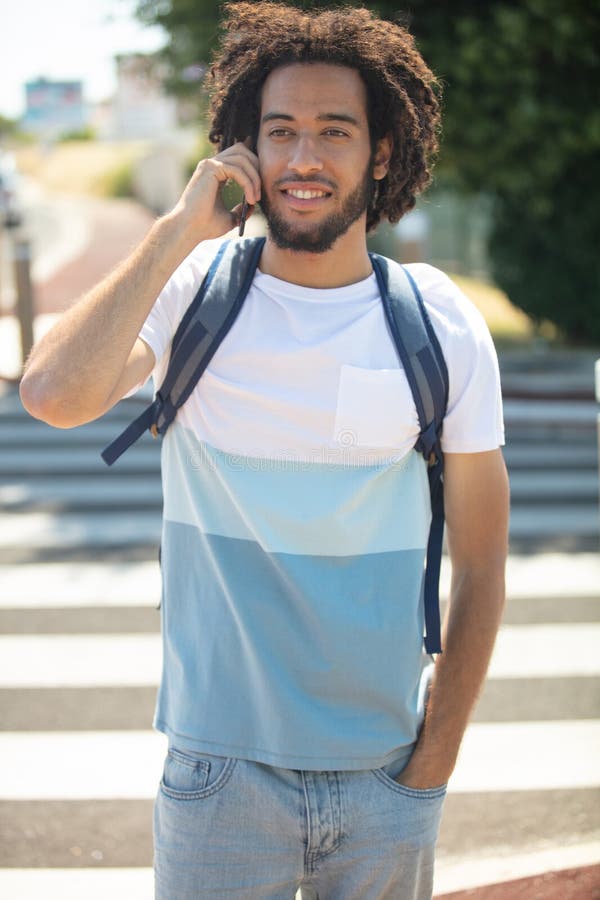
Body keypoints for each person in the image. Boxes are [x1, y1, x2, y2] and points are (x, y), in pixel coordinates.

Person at [20, 3, 509, 897]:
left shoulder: (439, 324)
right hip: (218, 777)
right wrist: (178, 230)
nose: (304, 159)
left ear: (383, 152)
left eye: (334, 132)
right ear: (246, 152)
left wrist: (430, 766)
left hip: (384, 778)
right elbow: (53, 395)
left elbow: (481, 562)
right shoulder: (196, 291)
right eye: (279, 133)